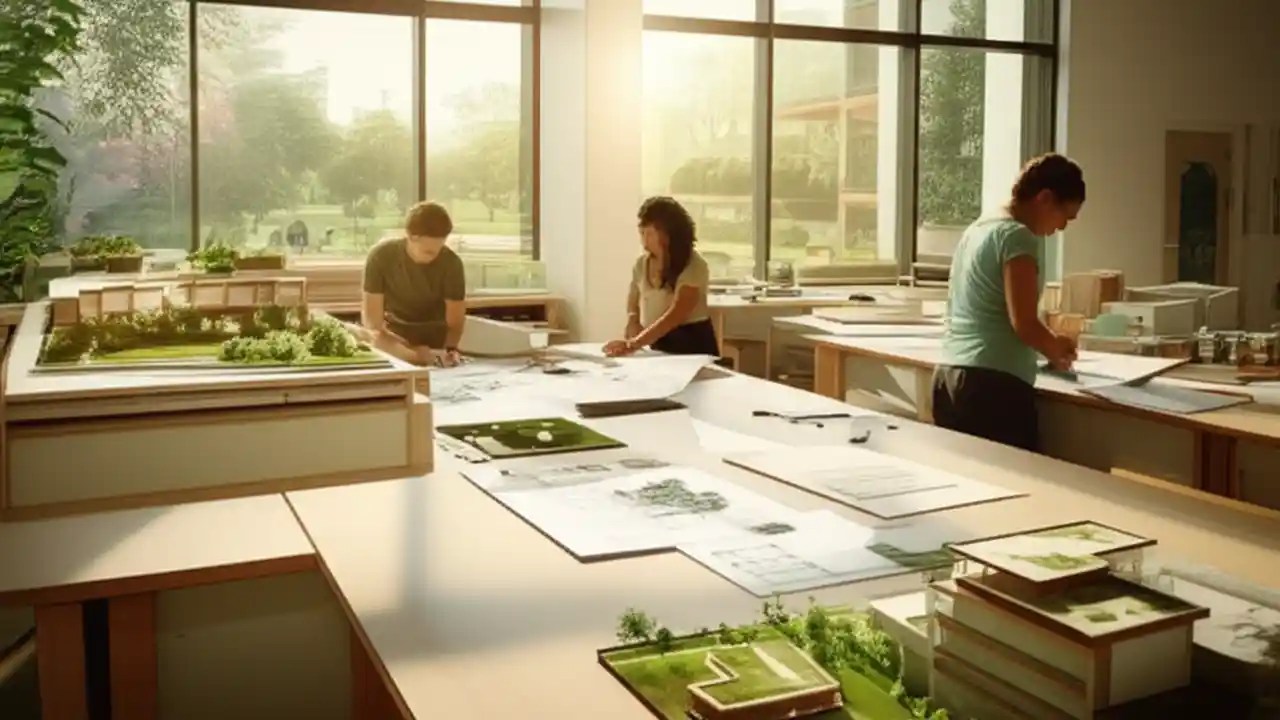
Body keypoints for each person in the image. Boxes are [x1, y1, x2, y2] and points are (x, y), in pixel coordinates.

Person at [931, 153, 1085, 452]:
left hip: (950, 376)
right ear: (1044, 198)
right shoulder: (1017, 236)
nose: (1062, 228)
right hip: (991, 389)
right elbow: (1024, 324)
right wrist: (1055, 349)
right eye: (1065, 216)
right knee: (1012, 479)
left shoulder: (978, 228)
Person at [603, 196, 718, 357]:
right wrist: (633, 320)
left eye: (650, 234)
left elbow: (677, 314)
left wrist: (634, 343)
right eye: (642, 233)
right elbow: (633, 300)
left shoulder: (694, 264)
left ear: (668, 234)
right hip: (656, 341)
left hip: (691, 344)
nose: (644, 241)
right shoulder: (641, 264)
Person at [355, 201, 466, 367]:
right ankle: (415, 357)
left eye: (440, 248)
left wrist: (449, 350)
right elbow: (372, 323)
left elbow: (455, 323)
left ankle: (421, 357)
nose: (435, 256)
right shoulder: (380, 257)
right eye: (428, 252)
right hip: (394, 339)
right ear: (411, 237)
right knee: (365, 336)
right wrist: (406, 348)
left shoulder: (452, 264)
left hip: (434, 340)